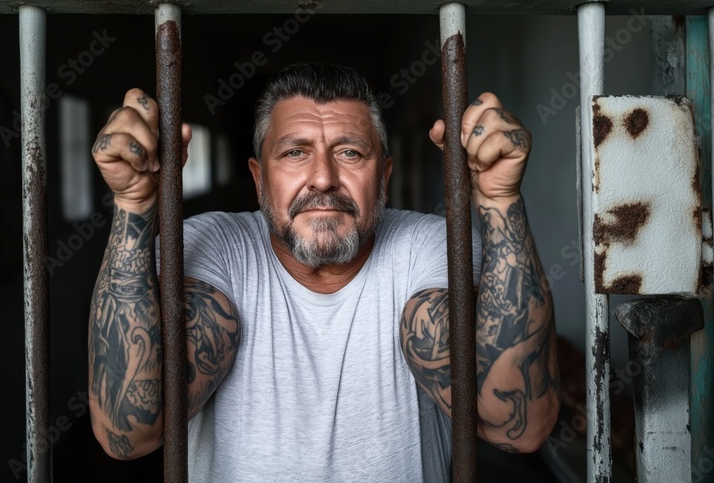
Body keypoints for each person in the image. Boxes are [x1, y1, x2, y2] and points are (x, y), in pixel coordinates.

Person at [87, 63, 559, 482]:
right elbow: (126, 432)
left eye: (350, 153)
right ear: (257, 178)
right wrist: (133, 206)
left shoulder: (431, 247)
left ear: (386, 177)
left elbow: (520, 428)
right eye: (295, 153)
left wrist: (499, 202)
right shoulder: (215, 248)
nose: (323, 177)